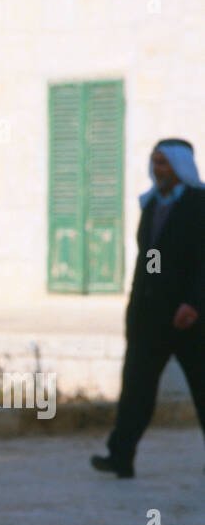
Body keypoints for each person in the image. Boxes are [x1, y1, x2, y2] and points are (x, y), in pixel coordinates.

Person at [92, 138, 205, 478]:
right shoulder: (153, 204)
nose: (158, 169)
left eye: (164, 163)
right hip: (151, 317)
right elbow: (151, 258)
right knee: (136, 390)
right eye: (155, 162)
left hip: (190, 319)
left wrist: (193, 302)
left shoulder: (199, 204)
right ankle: (121, 456)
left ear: (180, 166)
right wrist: (139, 302)